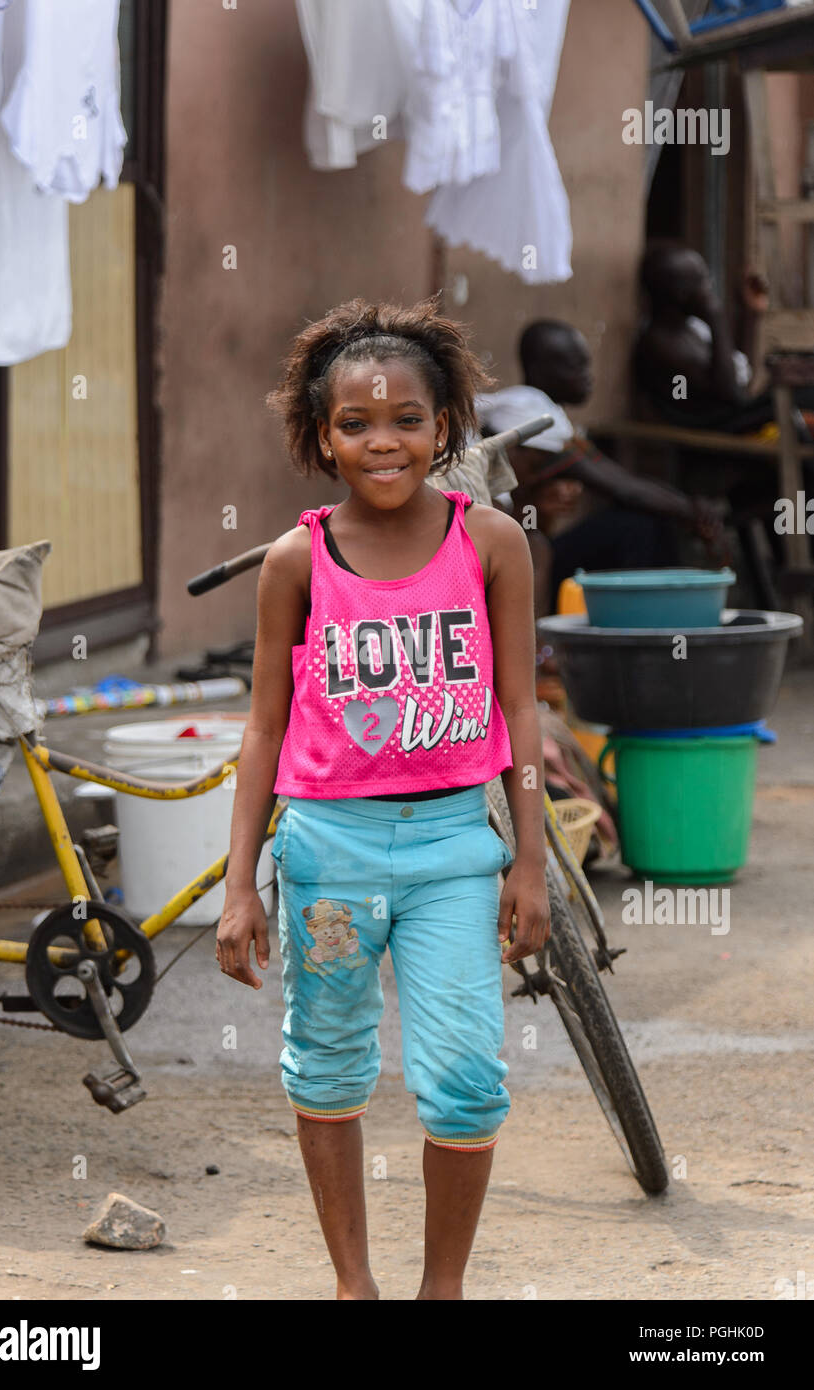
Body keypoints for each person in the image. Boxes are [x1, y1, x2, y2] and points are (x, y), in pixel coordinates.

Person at [215, 296, 550, 1301]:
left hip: (454, 846)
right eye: (354, 422)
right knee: (325, 1066)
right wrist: (239, 885)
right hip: (327, 855)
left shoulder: (490, 542)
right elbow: (263, 731)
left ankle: (439, 1289)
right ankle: (352, 1285)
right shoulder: (293, 560)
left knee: (463, 1079)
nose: (383, 439)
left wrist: (528, 860)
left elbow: (521, 709)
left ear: (444, 423)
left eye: (406, 416)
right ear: (320, 435)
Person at [476, 319, 723, 616]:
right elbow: (625, 488)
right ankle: (644, 622)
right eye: (575, 367)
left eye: (587, 365)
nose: (588, 377)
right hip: (511, 561)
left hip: (528, 554)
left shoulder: (541, 413)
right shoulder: (535, 420)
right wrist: (696, 513)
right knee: (635, 527)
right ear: (539, 370)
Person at [634, 241, 814, 434]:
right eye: (701, 280)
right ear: (681, 293)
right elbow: (731, 396)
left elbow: (740, 373)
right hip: (716, 430)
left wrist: (751, 315)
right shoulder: (661, 343)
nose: (709, 285)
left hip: (736, 415)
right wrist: (716, 317)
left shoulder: (691, 328)